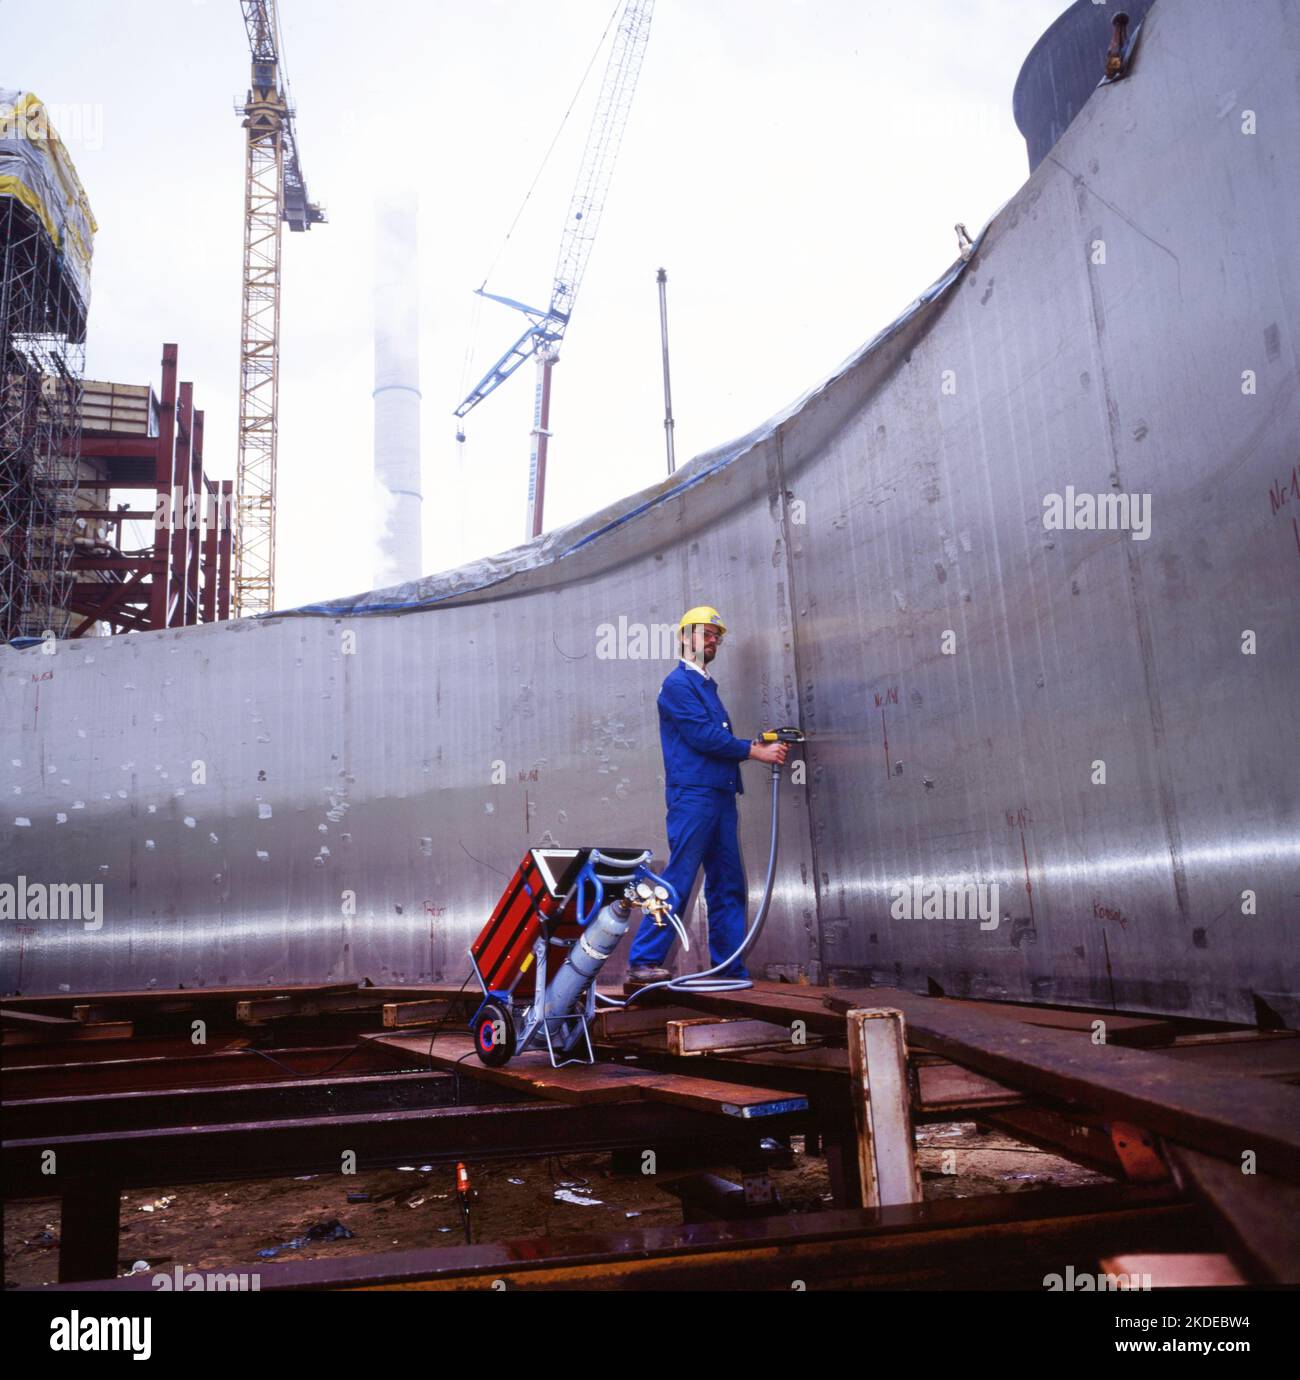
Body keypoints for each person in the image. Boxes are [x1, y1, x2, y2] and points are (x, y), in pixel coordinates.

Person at [627, 606, 788, 983]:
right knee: (680, 878)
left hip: (719, 796)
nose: (712, 639)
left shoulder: (705, 685)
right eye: (704, 633)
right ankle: (643, 960)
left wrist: (752, 745)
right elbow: (702, 737)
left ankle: (727, 967)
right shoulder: (678, 684)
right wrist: (753, 750)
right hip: (694, 798)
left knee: (728, 883)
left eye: (717, 635)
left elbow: (713, 738)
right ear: (684, 637)